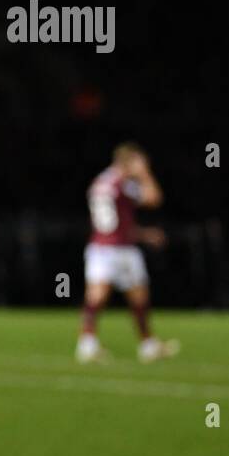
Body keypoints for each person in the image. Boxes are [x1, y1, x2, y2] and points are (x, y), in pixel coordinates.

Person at [76, 143, 179, 363]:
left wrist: (141, 234)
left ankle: (144, 345)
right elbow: (154, 198)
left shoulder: (102, 182)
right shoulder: (122, 183)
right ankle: (89, 345)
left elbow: (113, 221)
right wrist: (144, 174)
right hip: (116, 248)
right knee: (101, 295)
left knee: (134, 295)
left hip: (104, 245)